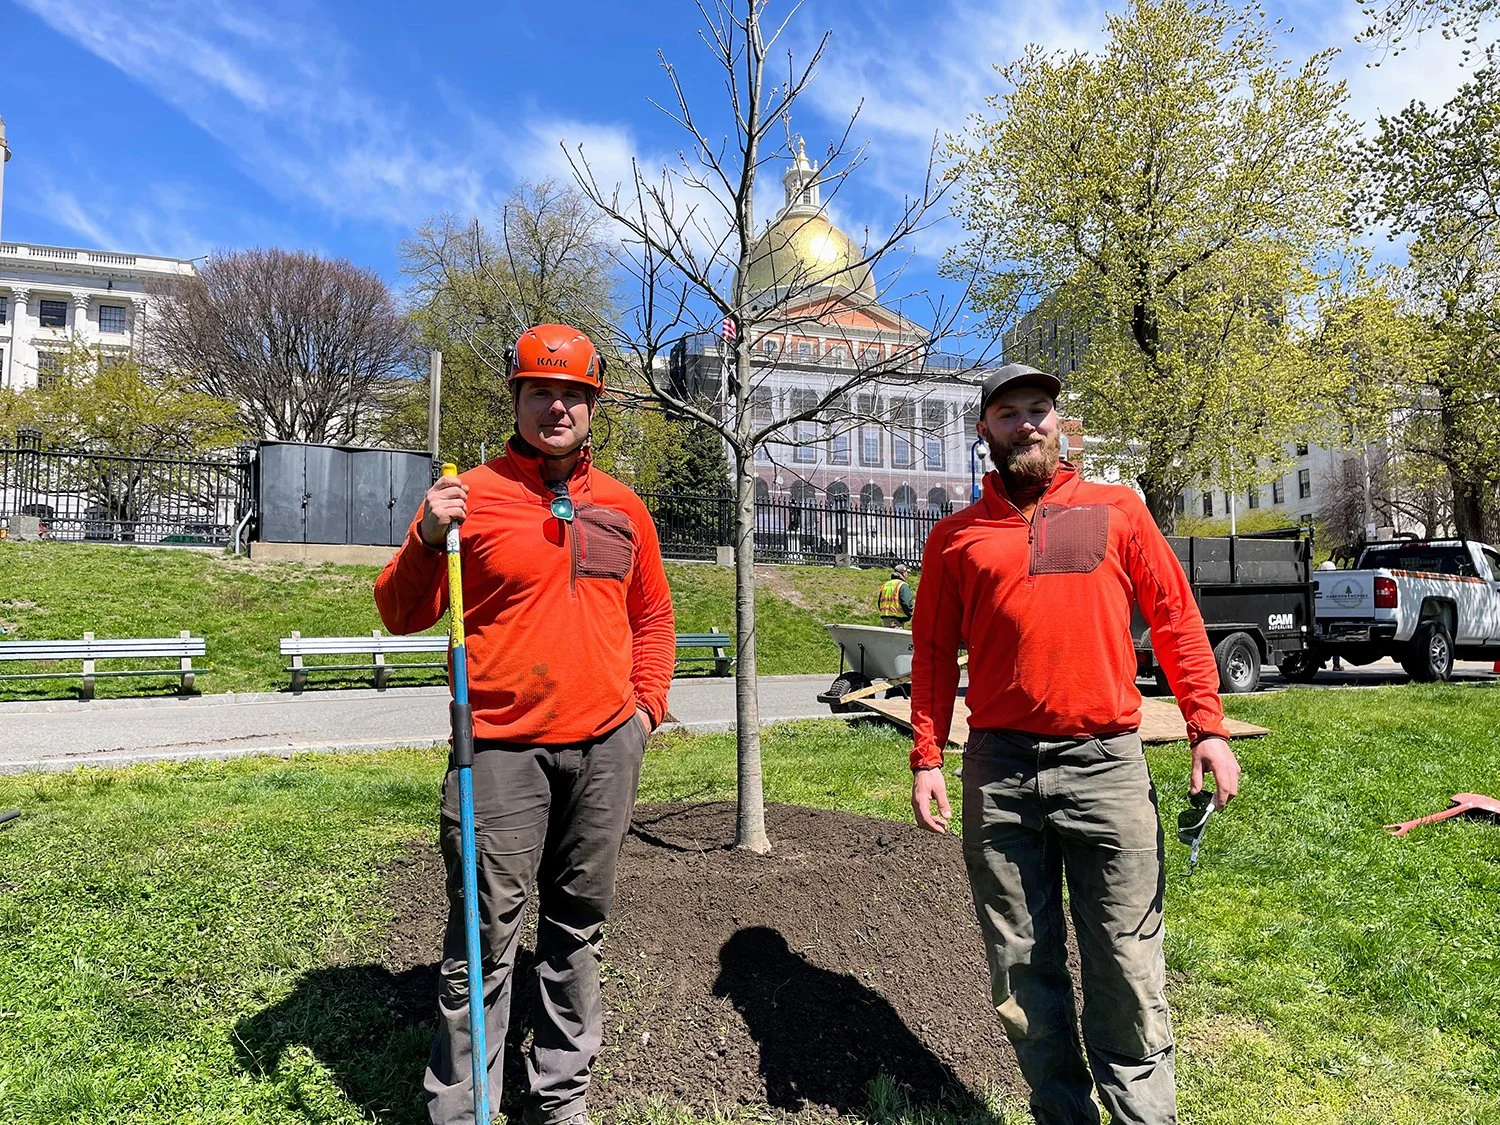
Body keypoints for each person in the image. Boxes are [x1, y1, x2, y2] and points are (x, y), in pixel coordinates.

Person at [909, 363, 1241, 1125]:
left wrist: (1208, 728)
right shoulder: (956, 539)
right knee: (1022, 970)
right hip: (998, 771)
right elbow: (930, 653)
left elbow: (1177, 620)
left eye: (1039, 410)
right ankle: (1063, 1114)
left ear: (1061, 424)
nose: (1027, 423)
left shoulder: (1116, 510)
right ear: (983, 430)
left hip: (1106, 765)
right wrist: (927, 754)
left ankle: (1143, 1116)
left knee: (1126, 961)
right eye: (1008, 413)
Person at [375, 323, 676, 1125]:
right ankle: (464, 1106)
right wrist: (427, 534)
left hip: (607, 747)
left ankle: (559, 1101)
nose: (556, 406)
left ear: (591, 405)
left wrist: (644, 711)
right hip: (500, 753)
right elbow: (401, 610)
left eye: (572, 393)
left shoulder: (623, 508)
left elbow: (653, 615)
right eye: (540, 390)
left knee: (578, 928)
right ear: (516, 396)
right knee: (483, 937)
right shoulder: (466, 499)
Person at [878, 563, 916, 627]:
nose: (907, 575)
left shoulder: (885, 585)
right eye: (907, 572)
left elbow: (879, 602)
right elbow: (906, 603)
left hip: (885, 619)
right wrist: (909, 615)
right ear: (903, 573)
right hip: (897, 620)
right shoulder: (903, 585)